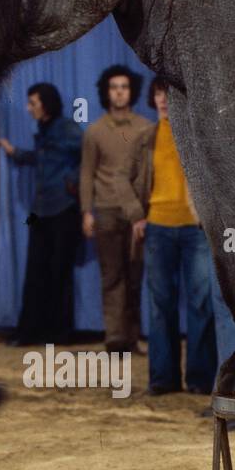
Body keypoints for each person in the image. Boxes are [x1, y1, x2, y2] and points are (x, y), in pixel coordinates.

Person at [131, 79, 216, 395]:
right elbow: (126, 179)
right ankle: (162, 379)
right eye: (158, 93)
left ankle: (200, 379)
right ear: (152, 98)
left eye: (169, 93)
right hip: (158, 228)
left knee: (200, 304)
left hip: (196, 230)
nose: (164, 99)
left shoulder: (198, 135)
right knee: (160, 305)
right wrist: (136, 214)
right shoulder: (145, 137)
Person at [0, 82, 82, 346]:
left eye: (33, 103)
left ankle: (58, 333)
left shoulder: (67, 127)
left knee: (59, 273)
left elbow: (87, 156)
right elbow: (42, 158)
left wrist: (73, 181)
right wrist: (16, 153)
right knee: (37, 272)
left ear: (45, 103)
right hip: (42, 211)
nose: (28, 108)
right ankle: (32, 332)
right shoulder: (45, 130)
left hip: (63, 209)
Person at [80, 66, 152, 353]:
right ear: (106, 92)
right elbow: (86, 173)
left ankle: (132, 338)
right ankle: (115, 338)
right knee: (112, 276)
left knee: (135, 277)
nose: (119, 91)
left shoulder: (146, 128)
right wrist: (87, 212)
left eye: (124, 86)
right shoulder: (95, 131)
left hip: (139, 213)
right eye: (114, 87)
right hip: (107, 210)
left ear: (132, 90)